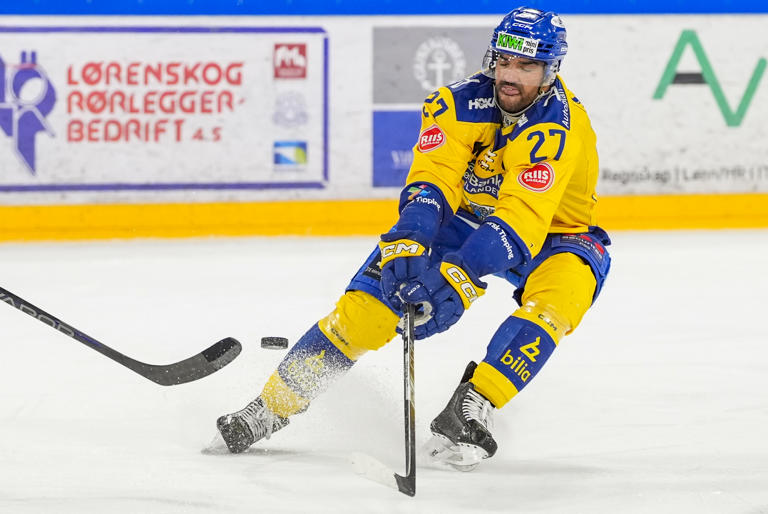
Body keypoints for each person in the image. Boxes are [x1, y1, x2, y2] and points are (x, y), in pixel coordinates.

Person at [215, 6, 611, 470]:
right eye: (504, 60)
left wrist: (457, 276)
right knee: (367, 310)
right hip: (466, 220)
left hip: (551, 235)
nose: (510, 75)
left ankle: (473, 403)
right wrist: (410, 238)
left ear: (550, 71)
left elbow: (520, 219)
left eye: (526, 66)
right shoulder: (458, 102)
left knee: (562, 296)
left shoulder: (559, 127)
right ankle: (269, 408)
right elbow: (431, 179)